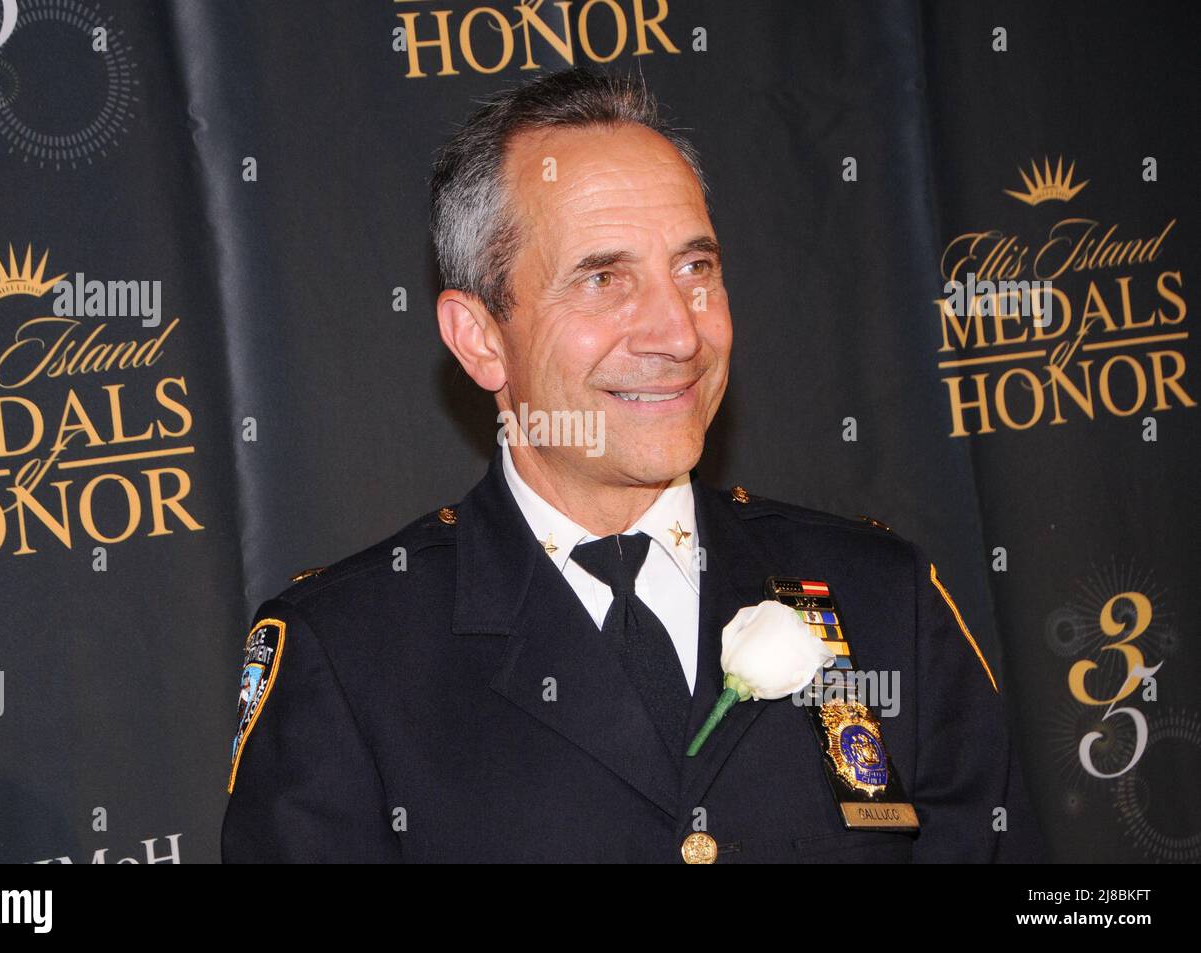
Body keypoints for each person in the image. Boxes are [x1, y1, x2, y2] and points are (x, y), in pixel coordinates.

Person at [220, 66, 1045, 863]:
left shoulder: (878, 595)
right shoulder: (352, 658)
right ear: (479, 338)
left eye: (696, 269)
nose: (680, 333)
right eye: (604, 278)